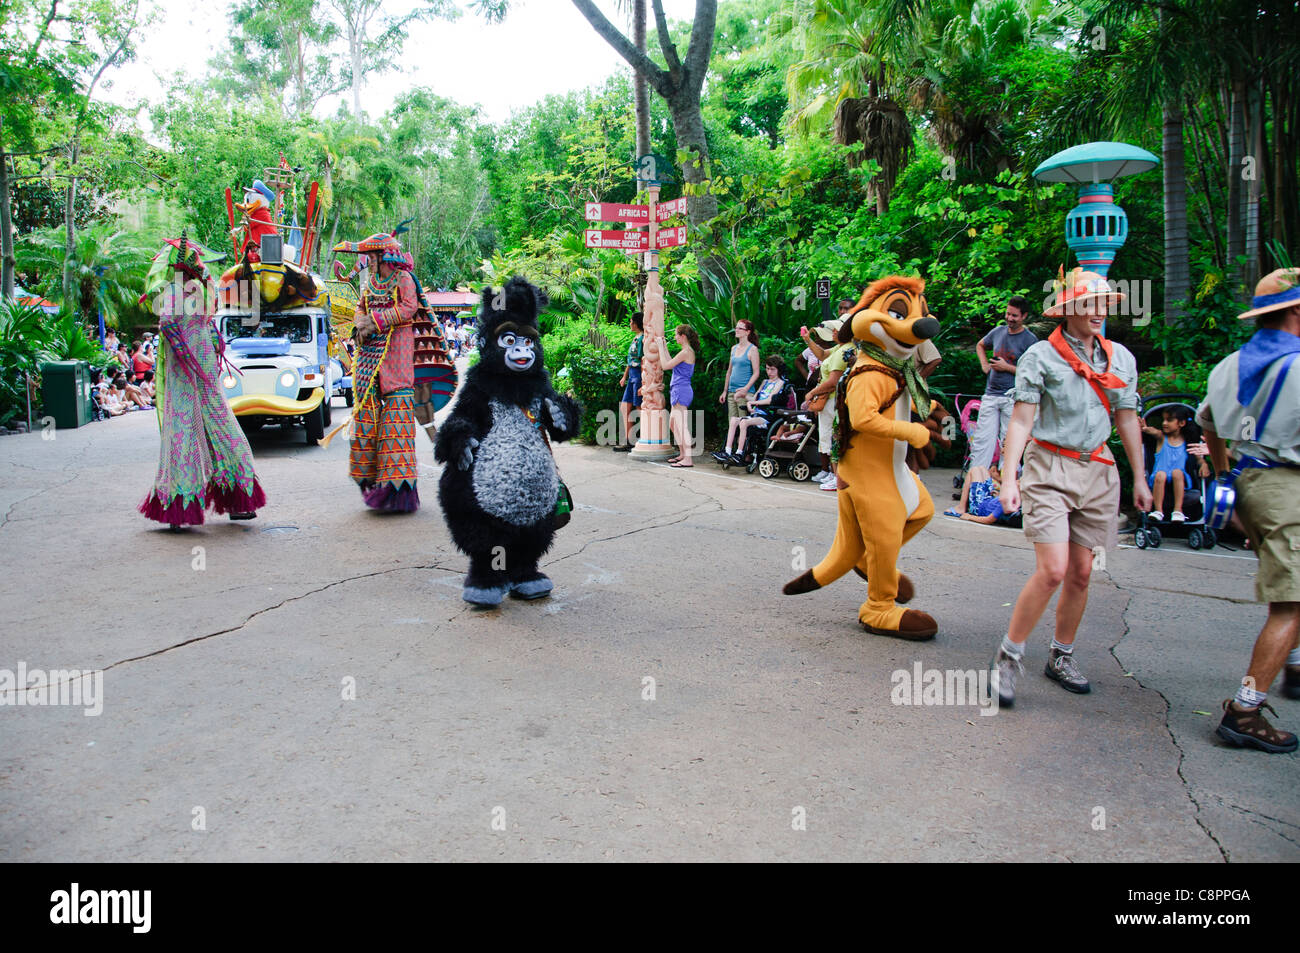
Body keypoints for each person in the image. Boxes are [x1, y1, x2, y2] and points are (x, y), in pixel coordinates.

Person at [991, 269, 1150, 707]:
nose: (1099, 312)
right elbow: (1022, 419)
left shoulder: (1121, 359)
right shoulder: (1041, 356)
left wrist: (1139, 476)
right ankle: (1010, 654)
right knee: (1054, 569)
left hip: (1098, 470)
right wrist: (1009, 478)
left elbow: (1126, 419)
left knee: (1082, 573)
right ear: (1070, 311)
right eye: (1089, 305)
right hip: (1049, 467)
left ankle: (1061, 655)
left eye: (1104, 305)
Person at [1196, 268, 1300, 753]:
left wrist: (1224, 477)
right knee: (1291, 601)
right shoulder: (1297, 364)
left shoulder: (1230, 365)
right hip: (1287, 487)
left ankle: (1293, 665)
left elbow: (1208, 422)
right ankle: (1245, 710)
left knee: (1290, 584)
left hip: (1248, 478)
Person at [139, 235, 265, 526]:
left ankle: (237, 499)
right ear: (185, 266)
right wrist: (186, 354)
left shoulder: (198, 291)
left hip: (204, 374)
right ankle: (180, 509)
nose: (202, 266)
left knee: (221, 432)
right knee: (185, 437)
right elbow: (169, 324)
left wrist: (212, 342)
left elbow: (204, 323)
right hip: (185, 377)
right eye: (196, 262)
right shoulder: (174, 293)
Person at [333, 232, 420, 512]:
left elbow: (410, 307)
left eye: (371, 257)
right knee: (367, 417)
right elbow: (361, 306)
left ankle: (397, 493)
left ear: (384, 257)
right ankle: (370, 479)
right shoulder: (371, 282)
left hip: (397, 354)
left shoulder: (403, 279)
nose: (368, 262)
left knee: (396, 423)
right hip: (370, 356)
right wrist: (360, 323)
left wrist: (376, 321)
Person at [970, 296, 1038, 469]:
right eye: (1008, 314)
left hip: (1013, 398)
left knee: (1009, 443)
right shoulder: (998, 331)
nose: (1009, 318)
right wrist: (985, 365)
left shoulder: (1030, 340)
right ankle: (977, 481)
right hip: (991, 394)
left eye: (1014, 315)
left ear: (1024, 316)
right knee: (982, 441)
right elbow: (980, 345)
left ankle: (1005, 483)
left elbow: (1032, 374)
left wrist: (1006, 367)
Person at [800, 308, 853, 490]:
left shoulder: (847, 349)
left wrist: (811, 393)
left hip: (835, 400)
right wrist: (808, 340)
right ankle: (833, 473)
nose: (834, 333)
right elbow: (822, 354)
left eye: (837, 329)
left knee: (834, 437)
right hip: (830, 400)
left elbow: (832, 381)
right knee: (828, 436)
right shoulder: (840, 348)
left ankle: (838, 476)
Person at [713, 355, 790, 465]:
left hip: (767, 416)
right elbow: (754, 398)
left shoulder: (780, 383)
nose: (769, 372)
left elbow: (769, 400)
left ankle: (740, 454)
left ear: (779, 369)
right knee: (734, 420)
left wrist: (752, 403)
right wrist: (742, 395)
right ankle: (727, 451)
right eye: (767, 368)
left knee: (744, 422)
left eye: (772, 369)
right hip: (756, 414)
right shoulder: (765, 382)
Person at [1141, 407, 1209, 521]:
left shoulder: (1187, 441)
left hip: (1179, 478)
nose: (1164, 423)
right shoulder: (1161, 438)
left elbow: (1199, 458)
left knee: (1177, 472)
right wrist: (1145, 428)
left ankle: (1178, 511)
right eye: (1163, 420)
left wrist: (1203, 464)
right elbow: (1153, 431)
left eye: (1169, 420)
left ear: (1182, 423)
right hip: (1159, 477)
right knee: (1160, 474)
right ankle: (1158, 511)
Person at [654, 323, 698, 468]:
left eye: (676, 335)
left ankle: (688, 459)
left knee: (682, 425)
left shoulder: (686, 351)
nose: (675, 337)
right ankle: (683, 454)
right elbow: (670, 362)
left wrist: (660, 346)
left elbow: (665, 365)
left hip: (681, 390)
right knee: (674, 424)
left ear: (683, 336)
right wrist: (664, 346)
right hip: (677, 390)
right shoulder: (685, 351)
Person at [719, 319, 760, 435]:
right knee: (732, 423)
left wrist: (745, 389)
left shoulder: (752, 349)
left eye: (740, 328)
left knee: (743, 424)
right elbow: (729, 371)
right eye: (736, 327)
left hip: (744, 393)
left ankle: (743, 452)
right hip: (732, 392)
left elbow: (756, 373)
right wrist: (725, 391)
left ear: (747, 332)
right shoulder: (734, 348)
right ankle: (730, 450)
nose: (736, 330)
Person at [614, 312, 644, 452]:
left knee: (639, 408)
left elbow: (643, 361)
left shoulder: (643, 339)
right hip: (631, 376)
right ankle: (629, 440)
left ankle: (644, 439)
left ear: (637, 323)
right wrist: (624, 377)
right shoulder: (635, 338)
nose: (630, 324)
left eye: (632, 321)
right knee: (625, 408)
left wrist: (644, 383)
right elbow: (630, 360)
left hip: (638, 376)